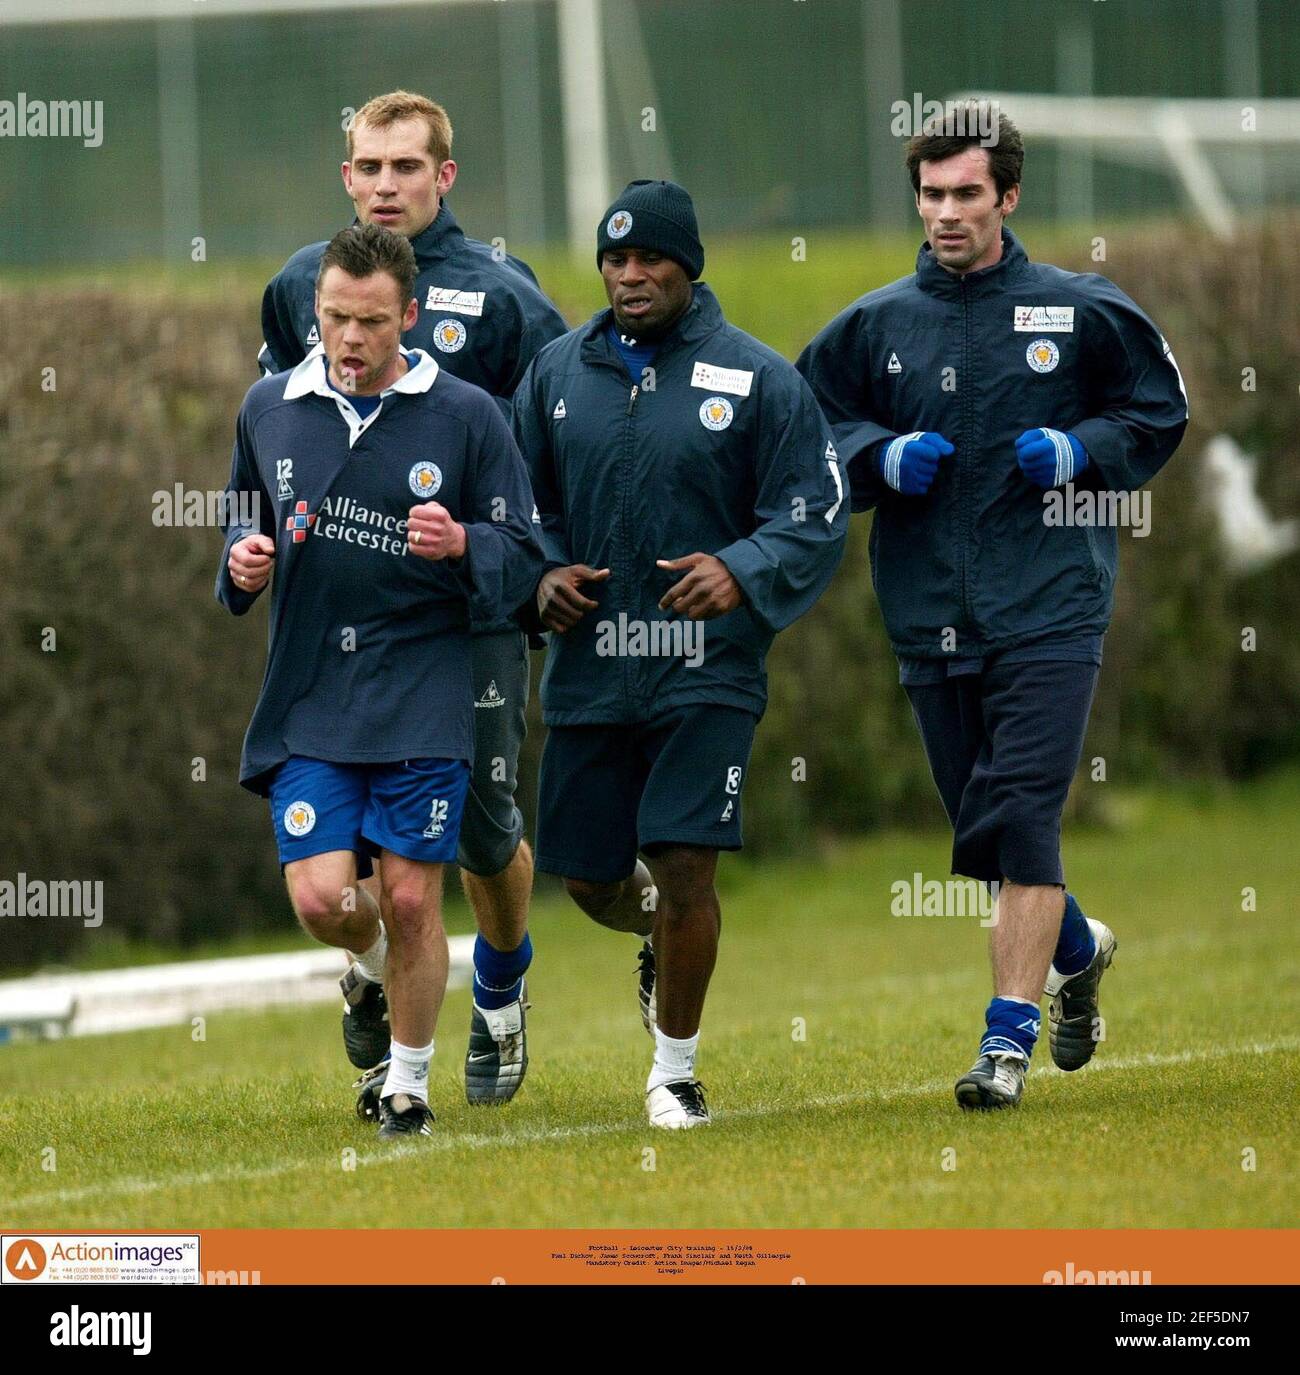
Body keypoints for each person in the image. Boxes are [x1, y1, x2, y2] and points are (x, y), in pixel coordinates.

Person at [797, 102, 1188, 1110]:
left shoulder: (1078, 308)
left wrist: (1080, 453)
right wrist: (872, 456)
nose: (946, 212)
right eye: (930, 194)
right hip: (927, 607)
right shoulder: (873, 324)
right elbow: (804, 432)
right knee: (983, 832)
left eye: (966, 192)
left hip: (1051, 604)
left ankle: (1002, 1044)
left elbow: (1158, 406)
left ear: (1008, 195)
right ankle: (1078, 947)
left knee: (1019, 814)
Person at [512, 180, 847, 1128]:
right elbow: (513, 504)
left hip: (707, 671)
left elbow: (813, 513)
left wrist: (740, 570)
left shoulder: (759, 379)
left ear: (688, 266)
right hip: (588, 671)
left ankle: (674, 1071)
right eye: (615, 260)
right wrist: (539, 576)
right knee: (585, 877)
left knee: (686, 864)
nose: (629, 275)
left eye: (649, 258)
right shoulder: (555, 373)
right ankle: (657, 929)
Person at [259, 90, 568, 1105]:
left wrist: (532, 563)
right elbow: (276, 440)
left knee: (481, 828)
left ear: (445, 175)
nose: (387, 185)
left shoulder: (506, 296)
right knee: (351, 866)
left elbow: (552, 450)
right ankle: (368, 977)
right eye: (369, 167)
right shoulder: (300, 281)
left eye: (407, 167)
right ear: (346, 175)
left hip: (466, 616)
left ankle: (504, 983)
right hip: (339, 626)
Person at [217, 223, 543, 1137]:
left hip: (423, 689)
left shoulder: (468, 415)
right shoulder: (271, 405)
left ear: (410, 315)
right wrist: (239, 563)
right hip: (313, 693)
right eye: (332, 319)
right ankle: (360, 966)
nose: (348, 340)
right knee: (327, 899)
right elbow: (246, 505)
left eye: (367, 322)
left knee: (409, 894)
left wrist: (466, 542)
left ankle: (408, 1084)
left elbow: (523, 551)